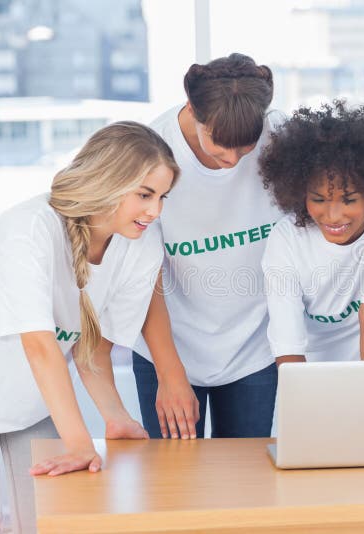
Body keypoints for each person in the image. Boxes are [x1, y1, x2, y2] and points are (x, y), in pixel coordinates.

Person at [0, 121, 179, 533]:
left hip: (32, 396)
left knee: (44, 519)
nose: (155, 211)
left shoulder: (141, 244)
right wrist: (79, 444)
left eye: (162, 197)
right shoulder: (31, 230)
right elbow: (39, 346)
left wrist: (115, 416)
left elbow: (93, 348)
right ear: (108, 180)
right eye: (145, 195)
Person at [131, 53, 284, 440]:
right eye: (220, 147)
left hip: (254, 348)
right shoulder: (149, 153)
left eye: (245, 149)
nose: (232, 161)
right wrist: (170, 374)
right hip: (168, 347)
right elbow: (142, 276)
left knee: (245, 473)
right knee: (175, 474)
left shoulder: (281, 137)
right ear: (191, 108)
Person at [259, 100, 364, 364]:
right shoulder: (286, 239)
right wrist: (303, 390)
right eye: (318, 199)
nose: (333, 216)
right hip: (318, 375)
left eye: (349, 200)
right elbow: (287, 341)